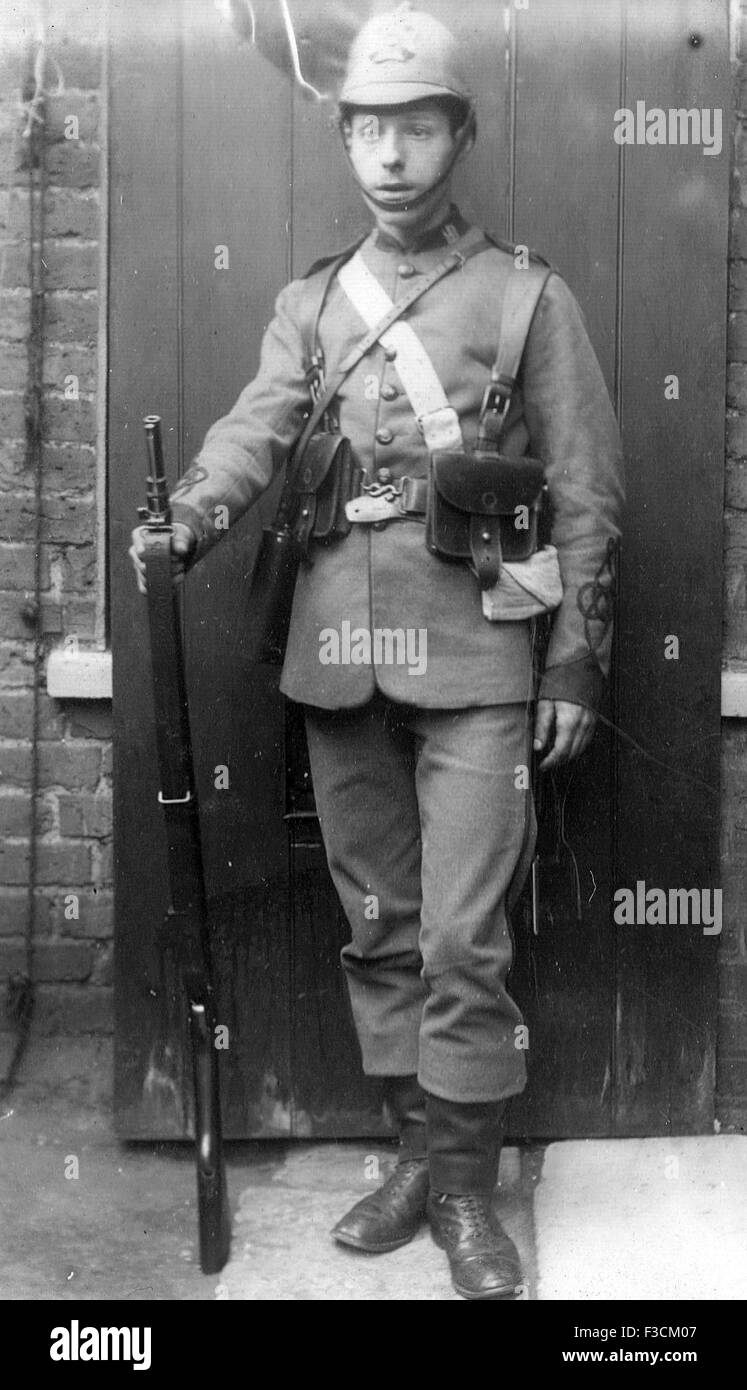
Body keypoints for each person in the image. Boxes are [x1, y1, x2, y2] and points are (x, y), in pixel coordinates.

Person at [130, 3, 624, 1300]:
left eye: (418, 126)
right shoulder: (313, 302)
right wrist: (190, 514)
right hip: (339, 652)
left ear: (458, 134)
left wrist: (575, 661)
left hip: (475, 656)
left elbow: (585, 492)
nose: (392, 155)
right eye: (370, 130)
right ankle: (415, 1153)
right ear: (345, 142)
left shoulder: (527, 297)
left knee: (465, 936)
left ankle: (465, 1187)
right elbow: (258, 423)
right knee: (381, 927)